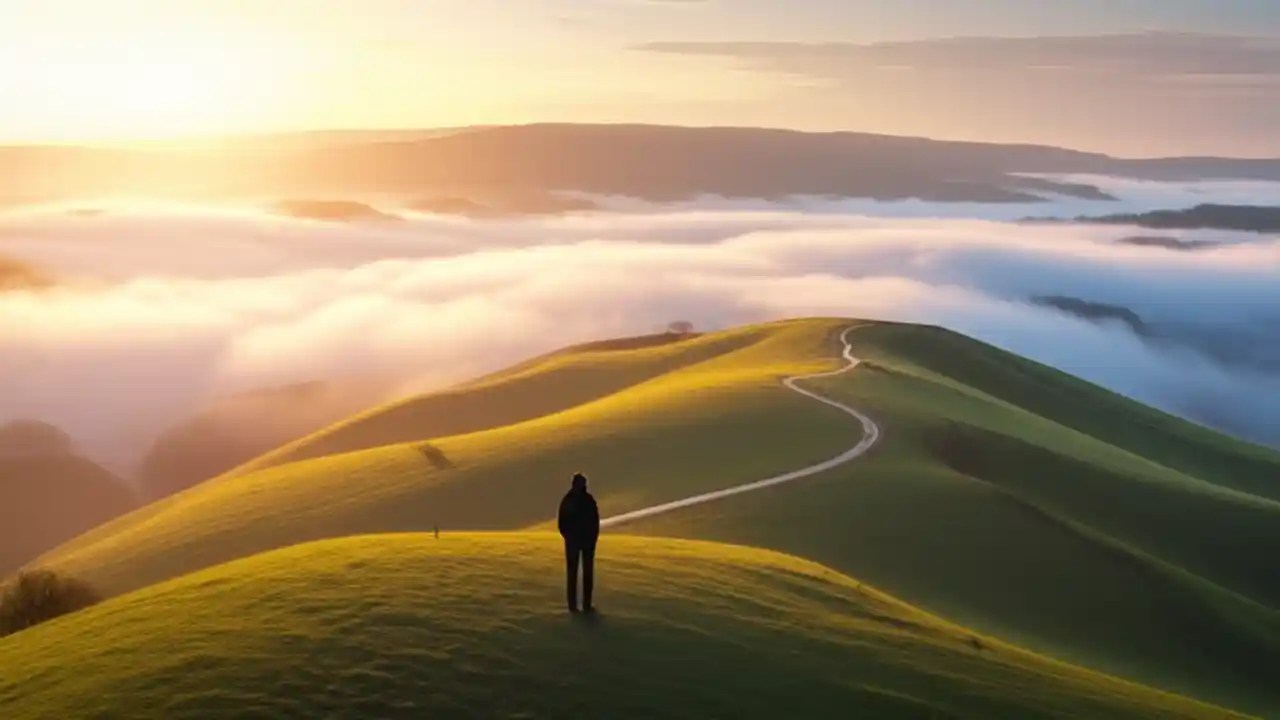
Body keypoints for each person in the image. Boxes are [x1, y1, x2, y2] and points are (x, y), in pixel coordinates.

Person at [558, 472, 600, 613]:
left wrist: (592, 539)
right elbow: (562, 523)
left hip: (586, 543)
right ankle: (573, 606)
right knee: (573, 574)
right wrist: (570, 537)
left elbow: (595, 522)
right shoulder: (571, 500)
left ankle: (586, 605)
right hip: (575, 543)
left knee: (586, 575)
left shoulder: (587, 500)